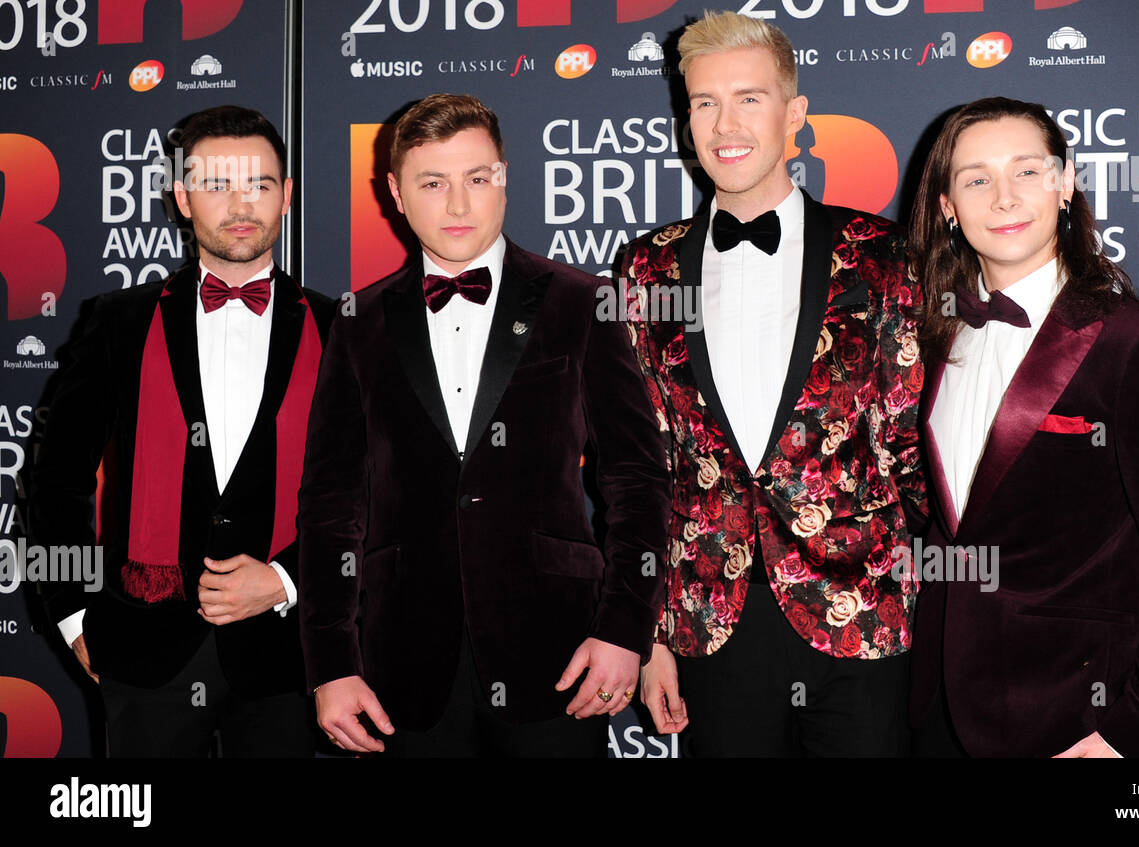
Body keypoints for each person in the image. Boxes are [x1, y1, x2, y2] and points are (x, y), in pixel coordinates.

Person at [298, 93, 669, 758]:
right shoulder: (359, 323)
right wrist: (331, 661)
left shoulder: (583, 303)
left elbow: (637, 479)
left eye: (477, 178)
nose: (459, 205)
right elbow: (331, 506)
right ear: (395, 193)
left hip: (561, 656)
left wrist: (624, 627)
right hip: (402, 667)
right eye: (433, 183)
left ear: (504, 176)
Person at [618, 10, 926, 756]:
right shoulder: (647, 268)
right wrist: (651, 632)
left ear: (794, 115)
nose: (726, 123)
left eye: (749, 98)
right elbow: (645, 466)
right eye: (704, 102)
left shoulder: (880, 253)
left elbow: (911, 438)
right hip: (714, 627)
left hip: (861, 615)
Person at [906, 96, 1139, 757]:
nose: (1004, 197)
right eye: (976, 179)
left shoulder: (1138, 346)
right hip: (937, 710)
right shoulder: (936, 333)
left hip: (1074, 723)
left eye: (1027, 171)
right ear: (948, 205)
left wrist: (1135, 732)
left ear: (1064, 184)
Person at [29, 105, 333, 756]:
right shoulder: (117, 322)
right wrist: (75, 615)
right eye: (218, 183)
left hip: (290, 656)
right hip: (142, 655)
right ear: (182, 196)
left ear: (287, 195)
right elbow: (54, 484)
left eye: (259, 183)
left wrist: (285, 580)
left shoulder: (341, 330)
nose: (241, 202)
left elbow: (372, 494)